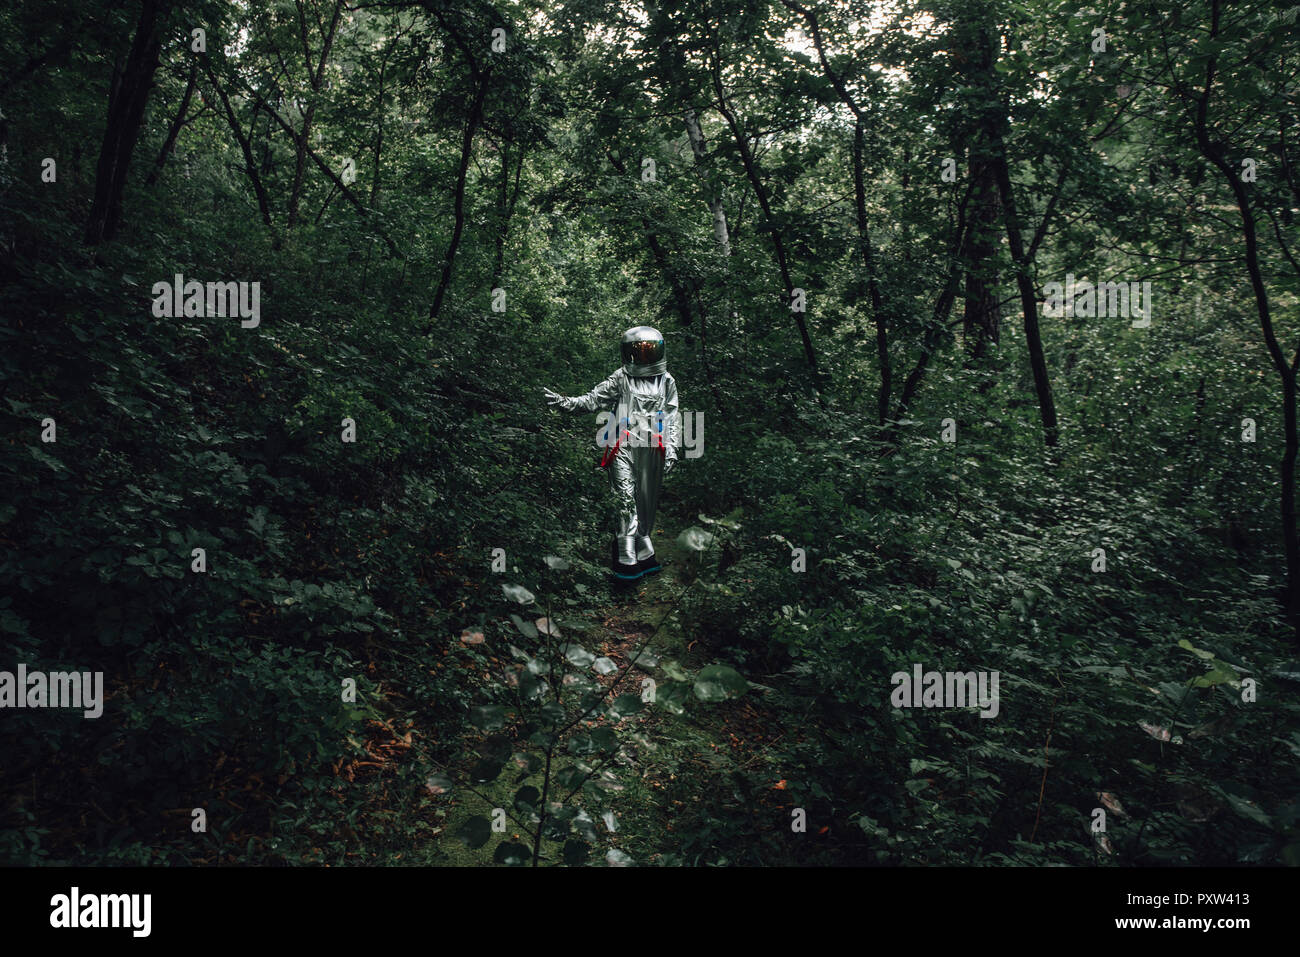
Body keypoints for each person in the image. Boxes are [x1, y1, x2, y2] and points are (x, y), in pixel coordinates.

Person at [544, 326, 679, 580]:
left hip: (654, 446)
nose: (644, 355)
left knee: (646, 498)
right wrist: (565, 402)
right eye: (638, 350)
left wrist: (672, 448)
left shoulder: (667, 380)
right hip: (623, 444)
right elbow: (592, 400)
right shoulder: (621, 377)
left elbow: (672, 416)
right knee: (625, 496)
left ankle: (644, 545)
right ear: (629, 353)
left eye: (649, 350)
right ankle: (625, 549)